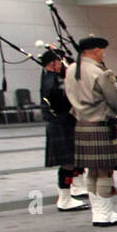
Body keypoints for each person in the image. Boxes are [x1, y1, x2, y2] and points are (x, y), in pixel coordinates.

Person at [69, 35, 117, 227]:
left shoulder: (71, 69)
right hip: (101, 123)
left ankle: (97, 212)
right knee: (105, 171)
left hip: (82, 123)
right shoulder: (101, 72)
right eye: (103, 50)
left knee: (92, 171)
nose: (103, 54)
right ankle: (106, 213)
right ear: (96, 50)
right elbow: (115, 101)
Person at [39, 48, 87, 213]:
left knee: (69, 162)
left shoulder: (49, 78)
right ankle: (64, 199)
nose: (61, 65)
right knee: (67, 163)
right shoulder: (52, 81)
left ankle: (67, 196)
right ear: (53, 63)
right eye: (59, 61)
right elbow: (61, 100)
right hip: (61, 124)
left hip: (61, 123)